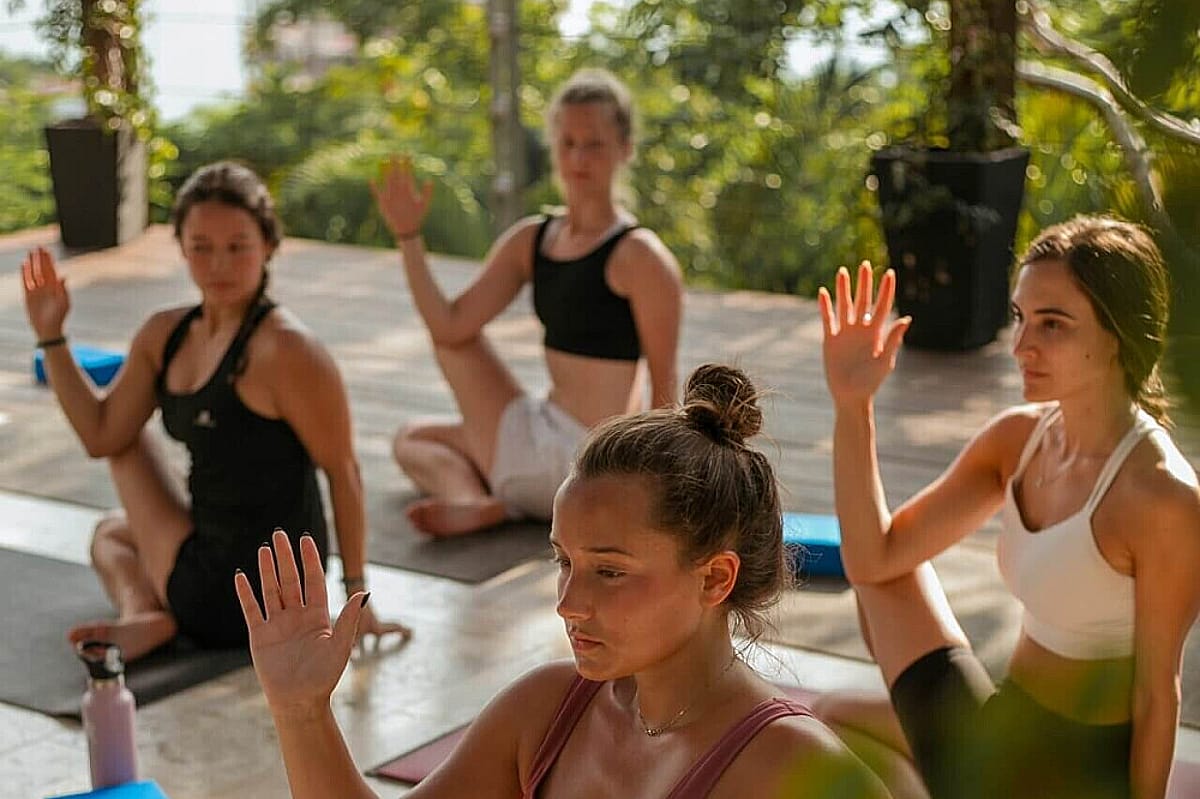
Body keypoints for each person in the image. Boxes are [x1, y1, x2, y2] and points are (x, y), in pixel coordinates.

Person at [235, 364, 891, 798]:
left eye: (609, 570)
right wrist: (301, 711)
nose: (569, 603)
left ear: (716, 577)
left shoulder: (797, 770)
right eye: (563, 561)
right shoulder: (547, 708)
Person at [814, 216, 1200, 799]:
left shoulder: (1160, 498)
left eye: (1053, 324)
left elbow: (1156, 693)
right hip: (1000, 728)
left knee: (841, 737)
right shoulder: (1018, 440)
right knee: (828, 709)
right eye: (1021, 317)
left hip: (1066, 777)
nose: (1021, 346)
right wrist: (852, 405)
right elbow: (872, 561)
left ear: (1117, 333)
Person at [20, 161, 408, 661]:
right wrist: (52, 335)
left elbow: (344, 474)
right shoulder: (167, 335)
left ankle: (145, 614)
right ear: (181, 247)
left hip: (260, 601)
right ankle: (145, 613)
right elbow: (97, 433)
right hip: (218, 567)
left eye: (237, 247)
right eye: (201, 248)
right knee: (111, 534)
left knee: (124, 454)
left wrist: (356, 600)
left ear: (268, 245)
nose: (219, 264)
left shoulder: (287, 351)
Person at [371, 67, 683, 536]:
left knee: (441, 377)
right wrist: (408, 236)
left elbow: (664, 394)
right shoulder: (533, 240)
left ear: (625, 149)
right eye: (567, 143)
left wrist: (651, 499)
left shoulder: (640, 257)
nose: (578, 157)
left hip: (592, 464)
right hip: (539, 440)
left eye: (594, 144)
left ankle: (485, 499)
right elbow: (450, 324)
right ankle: (480, 502)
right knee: (410, 438)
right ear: (553, 148)